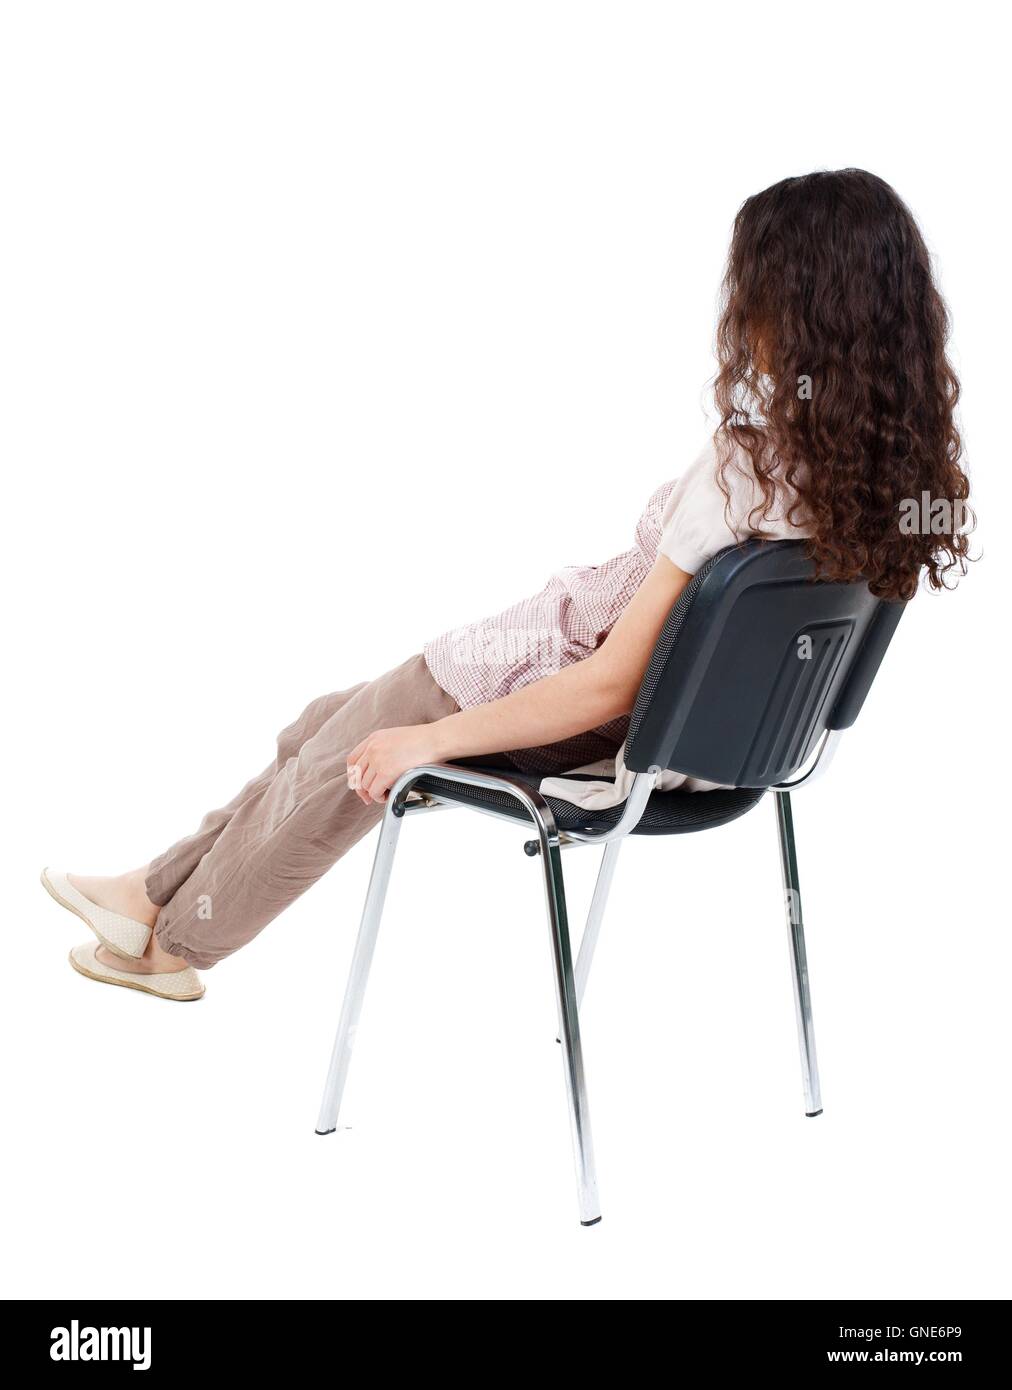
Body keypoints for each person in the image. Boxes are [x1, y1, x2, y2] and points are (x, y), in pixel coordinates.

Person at [42, 168, 972, 1001]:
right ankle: (151, 891)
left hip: (567, 695)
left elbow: (611, 680)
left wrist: (432, 740)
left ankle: (174, 945)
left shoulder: (745, 468)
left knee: (351, 752)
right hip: (715, 748)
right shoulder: (894, 482)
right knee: (321, 725)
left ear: (790, 307)